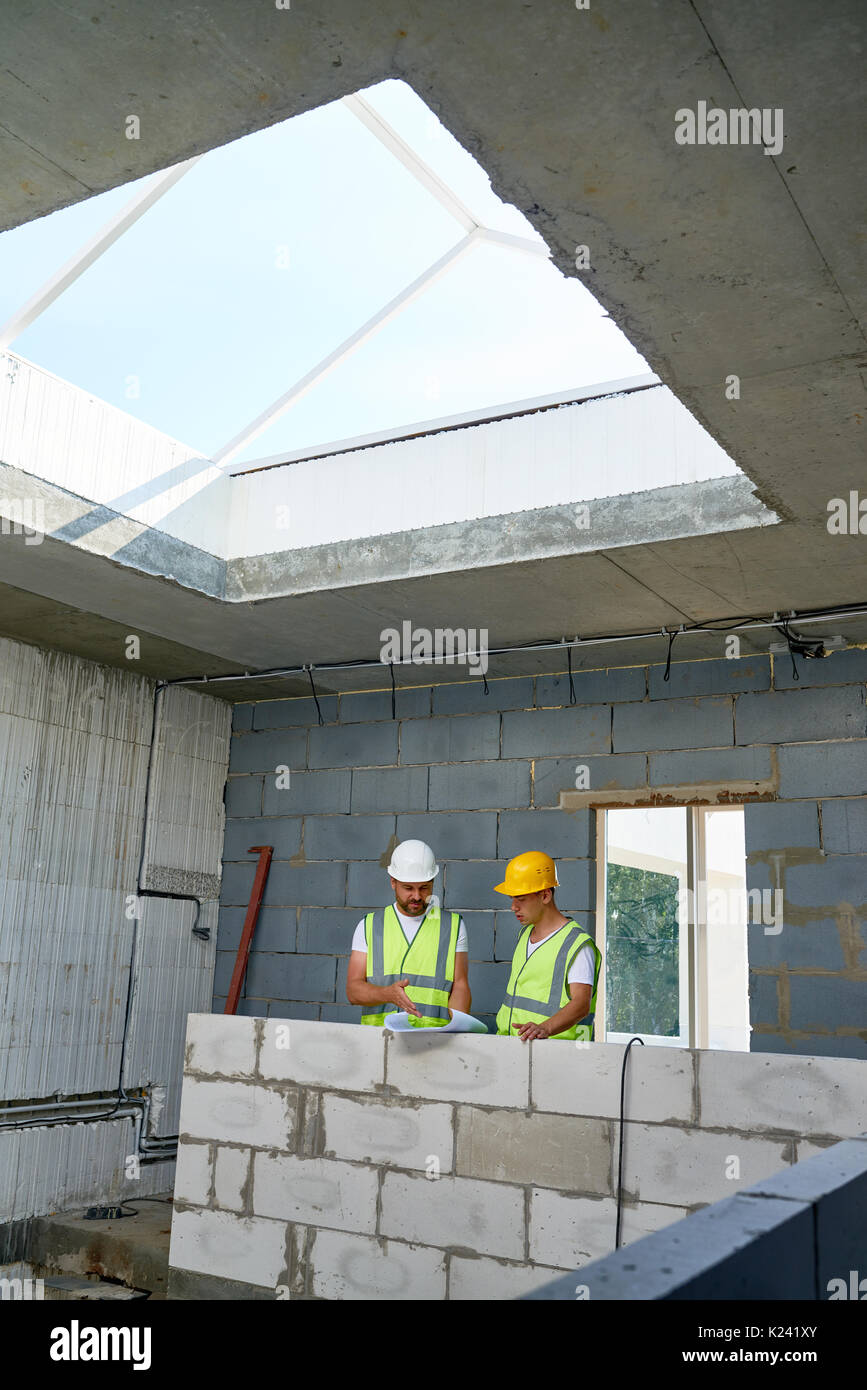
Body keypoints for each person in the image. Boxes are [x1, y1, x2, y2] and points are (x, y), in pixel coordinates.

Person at [346, 839, 471, 1026]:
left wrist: (458, 1027)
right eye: (408, 888)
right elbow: (353, 991)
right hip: (380, 1041)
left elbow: (460, 985)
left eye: (424, 887)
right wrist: (387, 994)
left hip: (435, 1041)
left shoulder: (453, 926)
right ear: (393, 882)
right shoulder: (369, 925)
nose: (417, 896)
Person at [494, 850, 600, 1041]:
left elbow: (581, 1004)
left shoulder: (576, 945)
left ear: (545, 895)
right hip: (514, 1048)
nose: (513, 907)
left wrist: (545, 1028)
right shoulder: (524, 935)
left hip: (554, 1055)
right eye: (512, 899)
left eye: (521, 899)